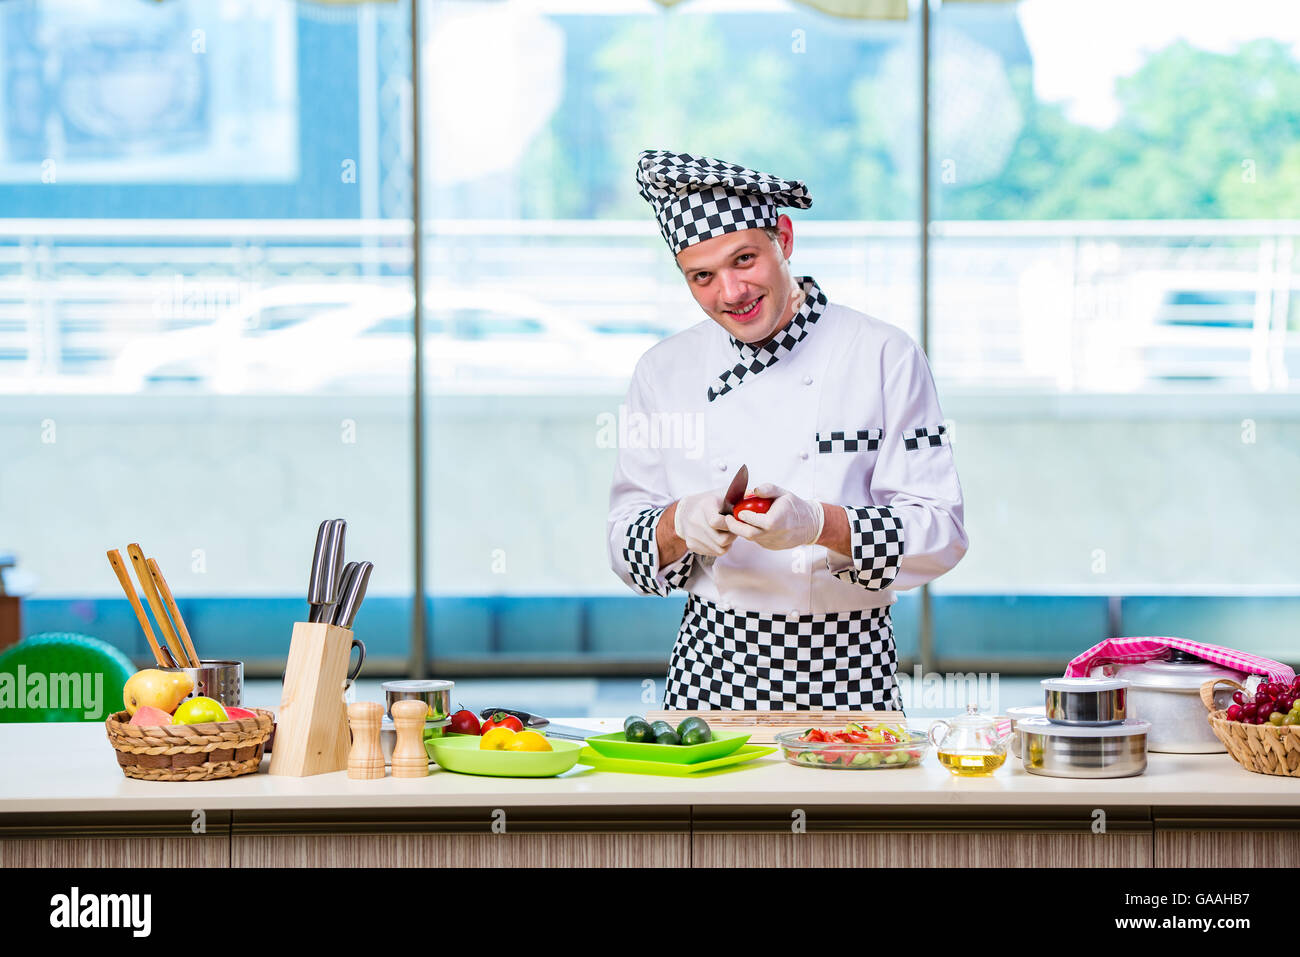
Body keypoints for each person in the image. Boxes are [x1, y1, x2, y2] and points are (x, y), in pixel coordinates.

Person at [607, 149, 968, 711]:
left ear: (785, 239)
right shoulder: (663, 371)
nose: (730, 293)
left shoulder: (883, 354)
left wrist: (819, 523)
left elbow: (941, 533)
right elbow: (624, 549)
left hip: (850, 674)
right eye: (702, 276)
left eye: (745, 259)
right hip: (709, 677)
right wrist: (682, 523)